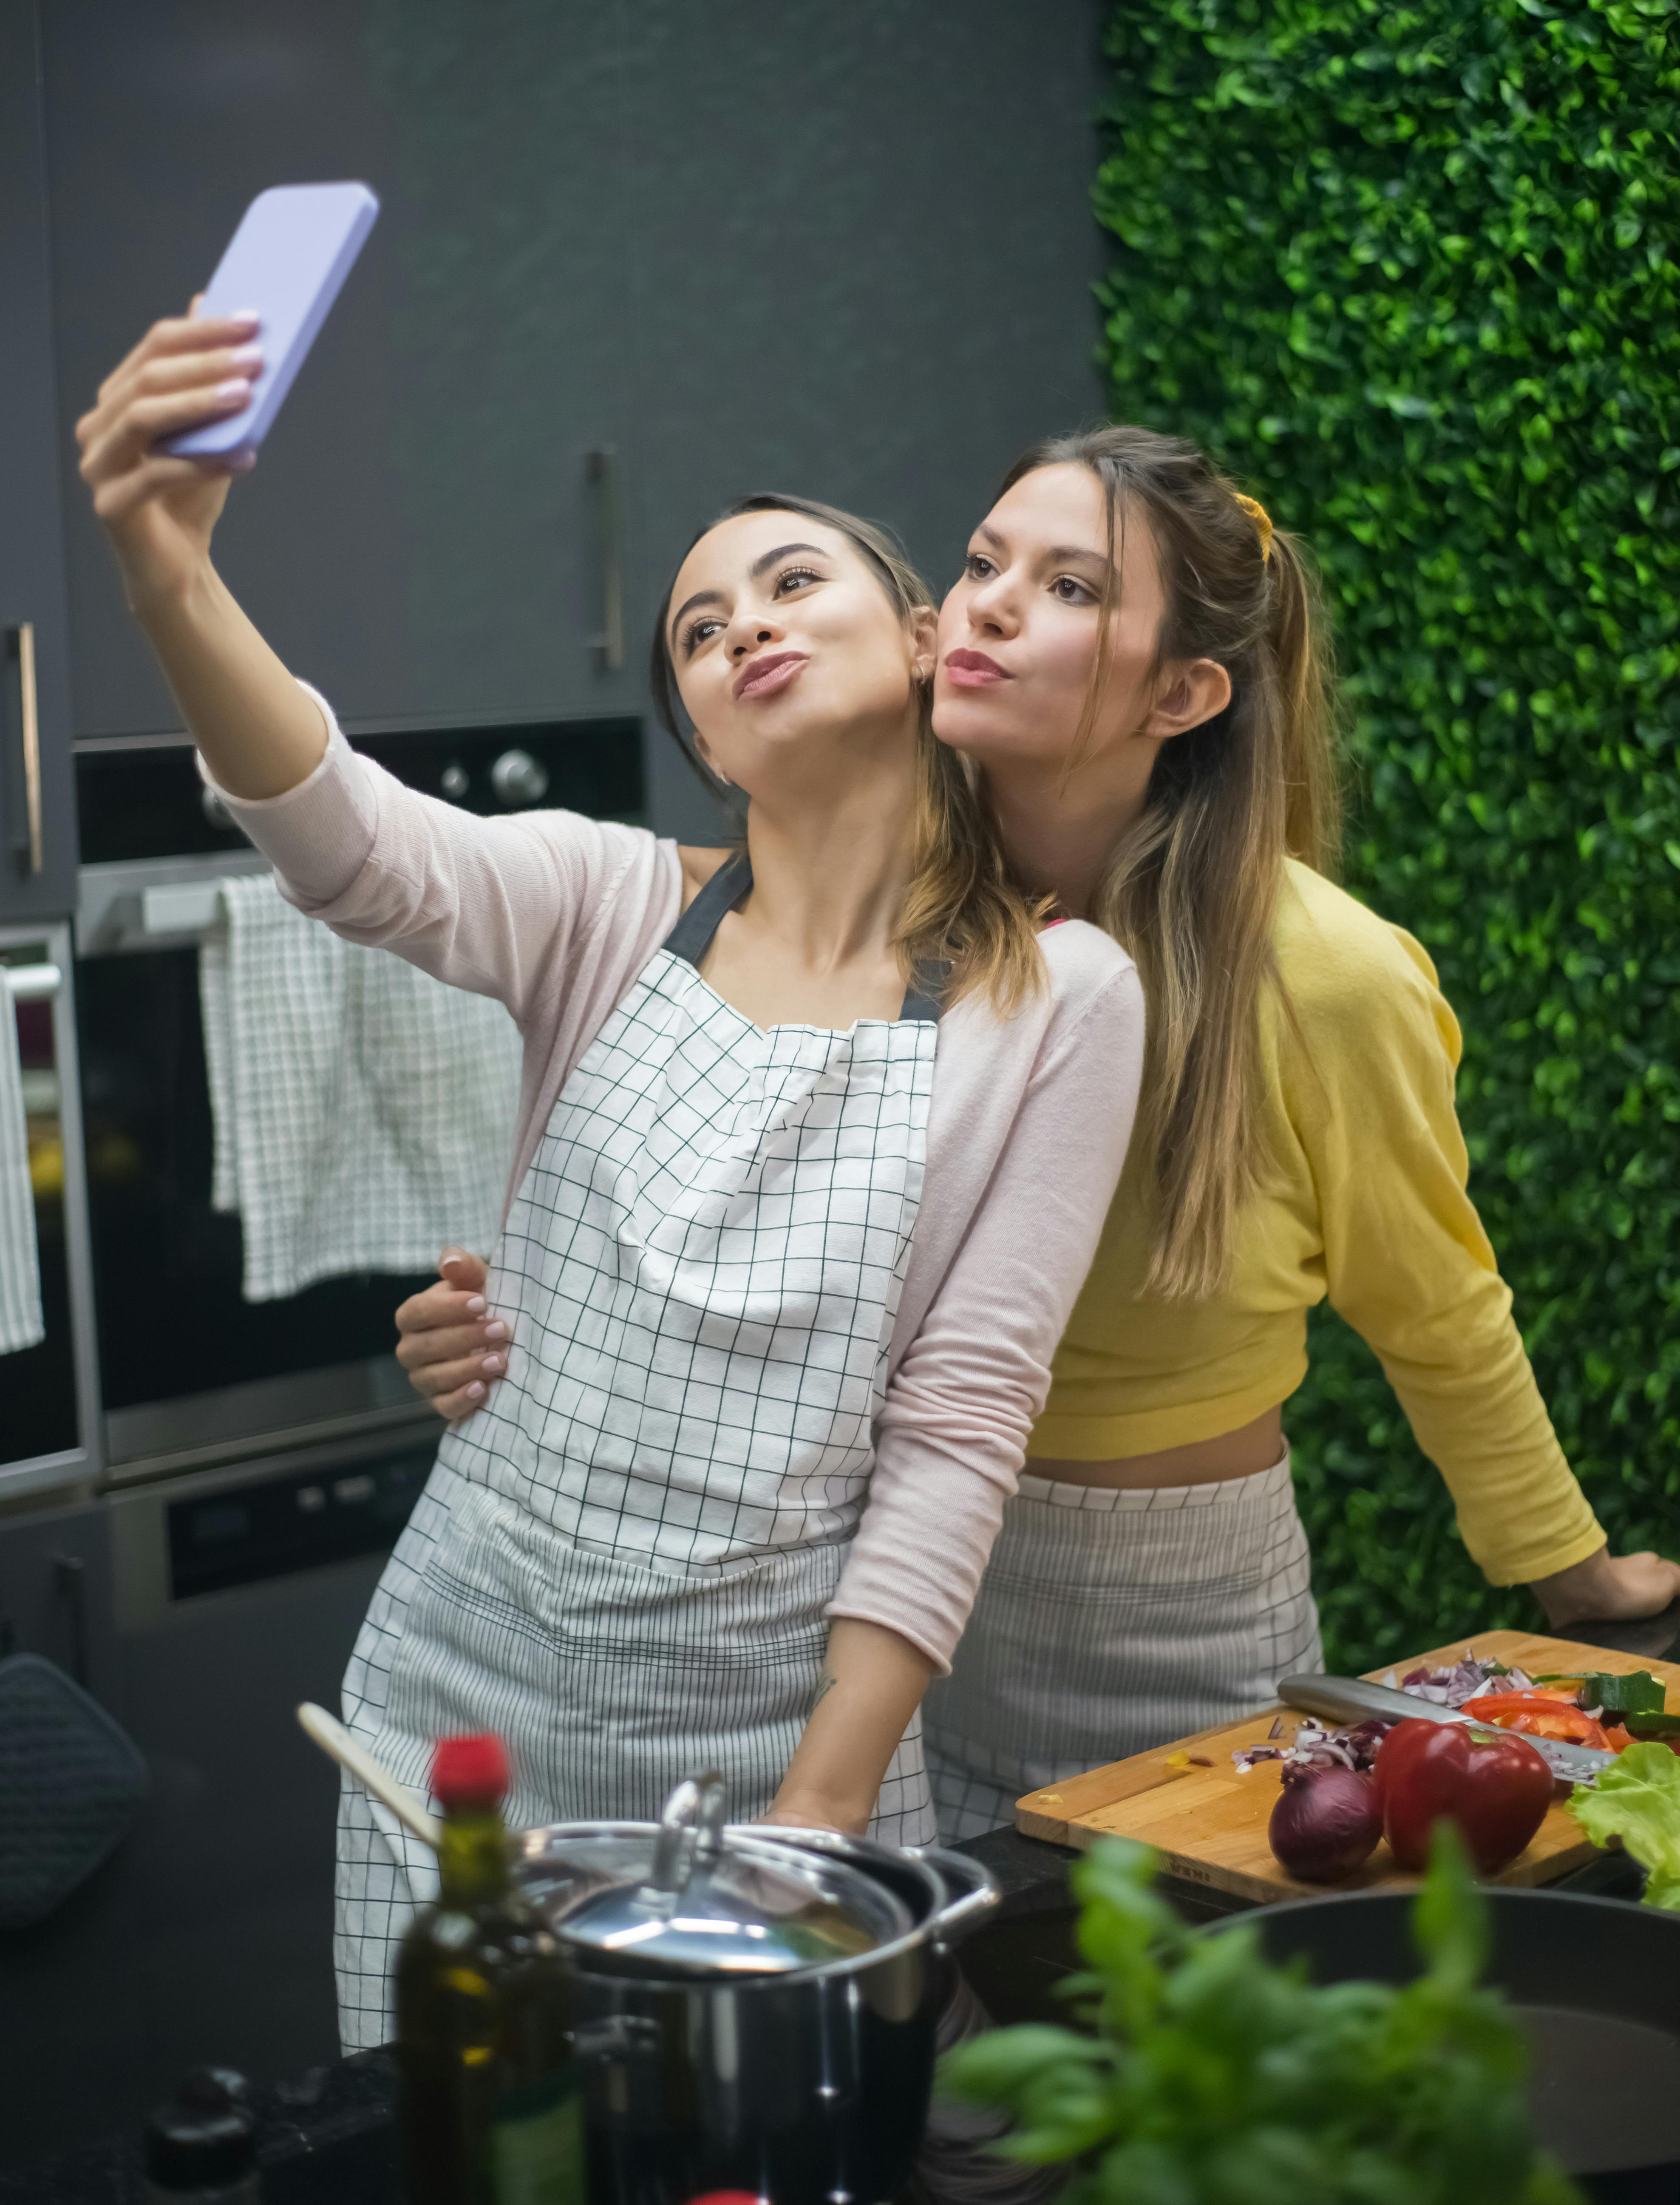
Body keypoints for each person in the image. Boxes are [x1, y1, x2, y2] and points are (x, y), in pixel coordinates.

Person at [74, 309, 1145, 2043]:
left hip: (775, 1743)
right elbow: (346, 840)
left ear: (928, 637)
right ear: (710, 742)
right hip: (464, 1717)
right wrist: (164, 576)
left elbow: (958, 1429)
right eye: (702, 634)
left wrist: (820, 1812)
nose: (745, 631)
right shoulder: (597, 901)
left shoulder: (1062, 997)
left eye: (791, 584)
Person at [399, 423, 1680, 1842]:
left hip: (1171, 1622)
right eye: (983, 561)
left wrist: (1573, 1577)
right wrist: (501, 1323)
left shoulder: (1325, 975)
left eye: (1069, 587)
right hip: (884, 1605)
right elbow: (676, 1170)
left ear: (1187, 689)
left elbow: (1437, 1308)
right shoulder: (858, 919)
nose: (988, 603)